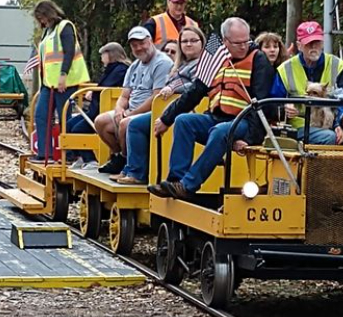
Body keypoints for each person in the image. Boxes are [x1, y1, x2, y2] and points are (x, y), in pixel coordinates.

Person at [148, 17, 277, 199]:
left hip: (243, 122)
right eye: (237, 43)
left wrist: (249, 139)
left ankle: (188, 185)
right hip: (217, 117)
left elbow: (261, 104)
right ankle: (175, 181)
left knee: (220, 131)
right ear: (225, 41)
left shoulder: (259, 60)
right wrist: (166, 118)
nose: (244, 46)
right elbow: (195, 91)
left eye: (246, 41)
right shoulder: (215, 56)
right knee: (184, 122)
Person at [115, 25, 204, 185]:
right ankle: (130, 167)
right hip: (169, 109)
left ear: (201, 43)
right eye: (184, 41)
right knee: (125, 123)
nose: (188, 44)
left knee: (134, 125)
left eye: (193, 41)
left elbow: (196, 87)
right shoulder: (181, 65)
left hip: (188, 111)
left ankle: (137, 172)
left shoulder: (202, 65)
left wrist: (172, 87)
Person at [271, 20, 343, 146]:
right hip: (300, 126)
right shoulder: (286, 69)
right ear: (299, 46)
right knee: (329, 137)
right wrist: (284, 108)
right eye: (309, 44)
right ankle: (326, 167)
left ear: (322, 43)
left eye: (316, 43)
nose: (313, 47)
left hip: (332, 121)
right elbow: (272, 103)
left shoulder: (335, 64)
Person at [94, 27, 173, 176]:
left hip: (152, 112)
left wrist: (131, 113)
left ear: (150, 41)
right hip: (131, 110)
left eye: (142, 43)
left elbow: (157, 98)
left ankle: (129, 163)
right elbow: (125, 96)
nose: (139, 48)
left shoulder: (162, 63)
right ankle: (120, 157)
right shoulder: (134, 66)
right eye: (134, 45)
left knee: (126, 123)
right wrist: (119, 109)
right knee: (101, 121)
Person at [30, 0, 90, 162]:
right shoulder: (47, 32)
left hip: (66, 81)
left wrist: (63, 75)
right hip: (48, 83)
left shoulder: (65, 27)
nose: (41, 21)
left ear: (48, 13)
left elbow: (69, 51)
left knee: (65, 117)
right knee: (41, 115)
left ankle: (69, 154)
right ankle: (44, 153)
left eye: (41, 17)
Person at [66, 42, 129, 167]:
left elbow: (109, 87)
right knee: (69, 124)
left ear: (110, 55)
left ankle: (91, 160)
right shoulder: (111, 69)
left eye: (103, 55)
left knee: (78, 130)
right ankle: (80, 157)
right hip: (95, 108)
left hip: (103, 109)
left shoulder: (121, 69)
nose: (101, 58)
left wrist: (93, 93)